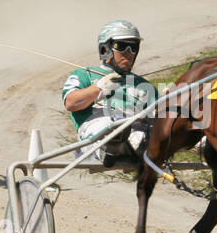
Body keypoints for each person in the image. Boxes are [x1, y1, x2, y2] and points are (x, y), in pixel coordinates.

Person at [62, 21, 154, 166]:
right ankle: (114, 148)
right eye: (121, 46)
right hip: (97, 131)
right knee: (112, 124)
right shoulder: (84, 74)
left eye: (134, 47)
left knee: (155, 128)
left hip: (135, 131)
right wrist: (100, 87)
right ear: (105, 49)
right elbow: (71, 103)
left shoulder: (143, 85)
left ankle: (133, 149)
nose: (129, 52)